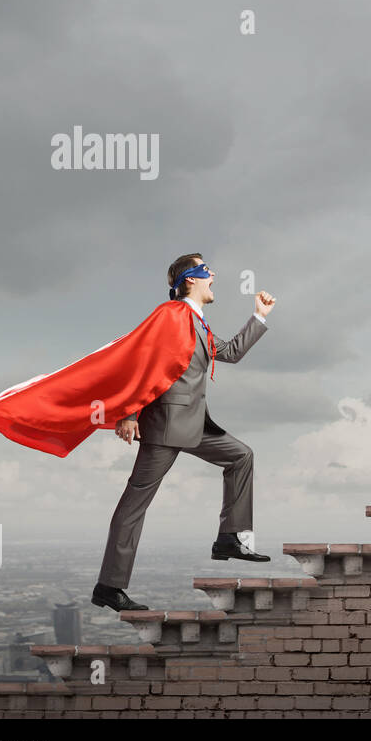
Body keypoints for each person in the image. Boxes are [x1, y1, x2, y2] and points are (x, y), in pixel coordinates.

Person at [90, 254, 275, 612]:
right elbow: (142, 360)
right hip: (164, 426)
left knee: (241, 455)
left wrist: (259, 317)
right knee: (133, 506)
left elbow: (231, 353)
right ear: (190, 280)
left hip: (193, 422)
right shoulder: (171, 314)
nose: (213, 275)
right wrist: (129, 413)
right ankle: (109, 587)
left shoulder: (198, 322)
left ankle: (228, 538)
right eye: (207, 271)